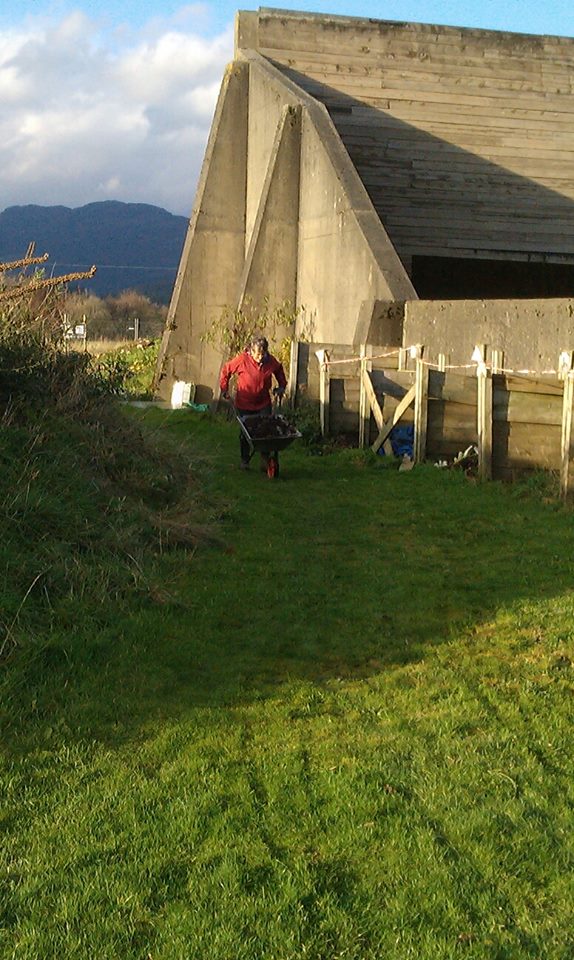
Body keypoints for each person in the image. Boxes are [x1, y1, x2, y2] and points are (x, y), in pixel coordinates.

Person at [220, 335, 287, 469]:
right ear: (251, 351)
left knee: (266, 430)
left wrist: (281, 386)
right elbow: (226, 370)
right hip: (244, 403)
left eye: (263, 354)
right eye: (257, 355)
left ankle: (265, 459)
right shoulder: (243, 359)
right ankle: (245, 460)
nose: (260, 358)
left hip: (263, 402)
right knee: (245, 433)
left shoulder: (270, 361)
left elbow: (279, 370)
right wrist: (224, 389)